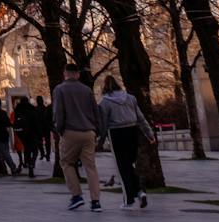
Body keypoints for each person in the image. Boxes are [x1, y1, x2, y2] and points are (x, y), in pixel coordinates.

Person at [99, 75, 156, 210]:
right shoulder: (130, 98)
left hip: (116, 134)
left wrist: (100, 141)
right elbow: (141, 118)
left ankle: (128, 200)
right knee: (130, 165)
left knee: (122, 167)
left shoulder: (104, 103)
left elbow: (103, 124)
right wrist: (150, 135)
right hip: (132, 131)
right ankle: (140, 191)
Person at [52, 63, 102, 211]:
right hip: (89, 132)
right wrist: (96, 130)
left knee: (67, 163)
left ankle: (76, 195)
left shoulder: (60, 89)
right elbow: (95, 110)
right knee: (90, 167)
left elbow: (58, 112)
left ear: (65, 73)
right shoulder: (87, 90)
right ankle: (95, 201)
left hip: (70, 131)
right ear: (78, 74)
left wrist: (59, 129)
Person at [13, 94, 39, 177]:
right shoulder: (32, 109)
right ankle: (32, 164)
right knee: (35, 150)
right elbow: (36, 122)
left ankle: (28, 163)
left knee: (27, 149)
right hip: (32, 132)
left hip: (22, 133)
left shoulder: (17, 109)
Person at [35, 95, 52, 162]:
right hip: (46, 128)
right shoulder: (46, 108)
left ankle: (42, 154)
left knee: (39, 142)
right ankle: (47, 155)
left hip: (39, 128)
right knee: (47, 142)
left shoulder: (35, 109)